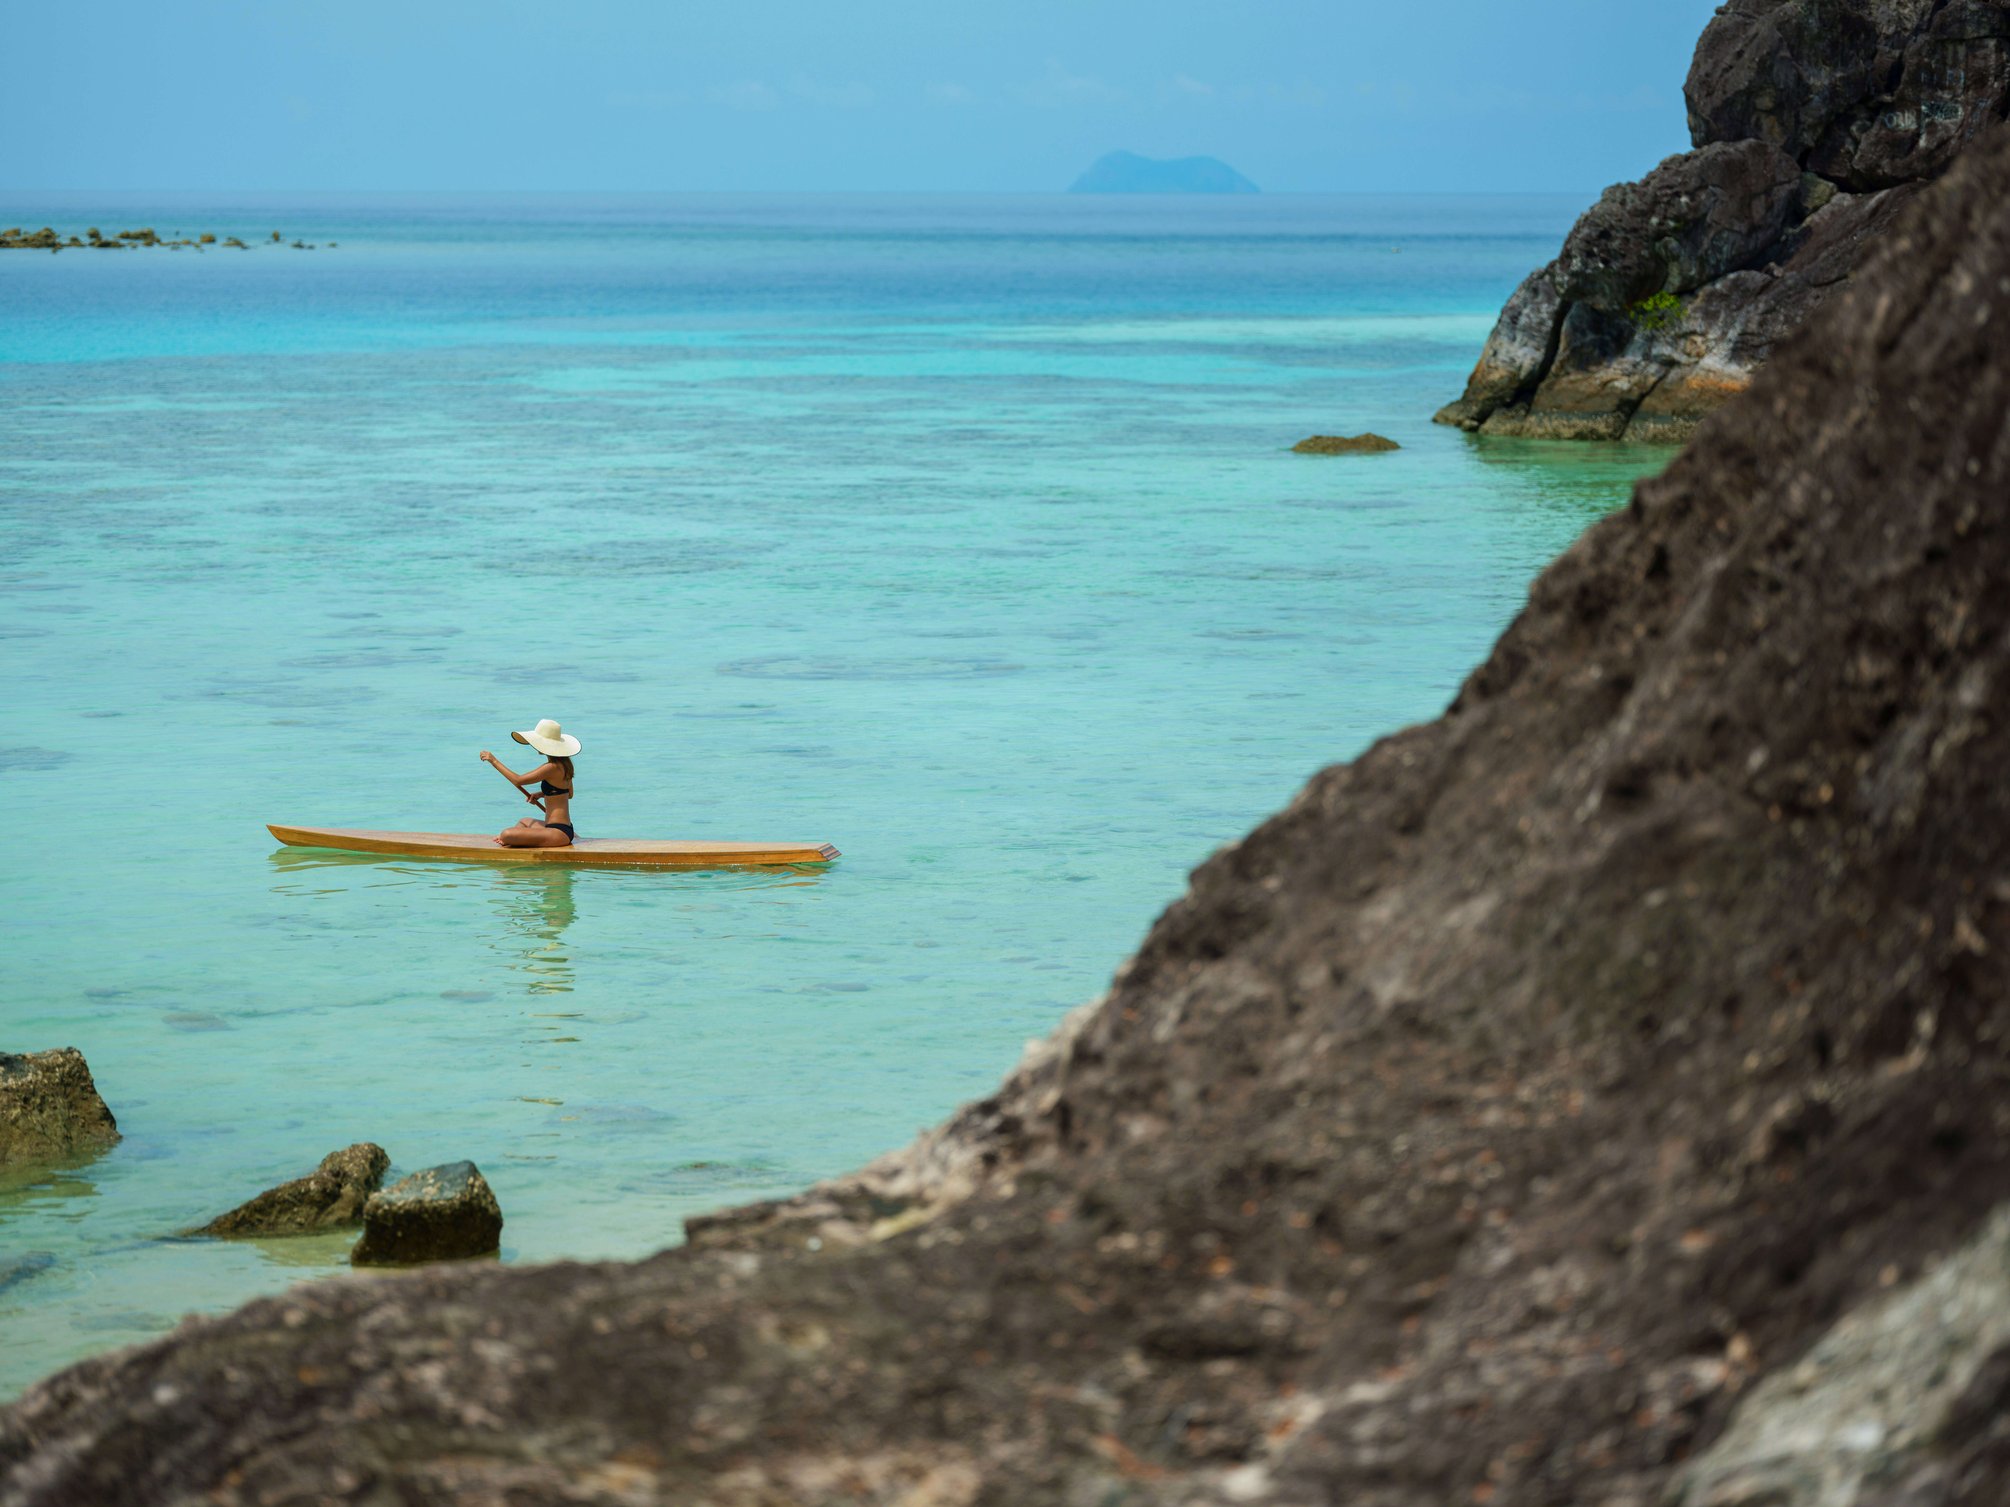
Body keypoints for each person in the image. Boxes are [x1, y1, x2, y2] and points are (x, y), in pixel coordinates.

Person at [479, 718, 581, 848]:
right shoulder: (565, 766)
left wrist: (494, 761)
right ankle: (516, 843)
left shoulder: (551, 767)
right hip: (563, 828)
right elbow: (569, 794)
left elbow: (518, 780)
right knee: (524, 822)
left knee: (506, 834)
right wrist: (542, 794)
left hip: (558, 833)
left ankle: (510, 840)